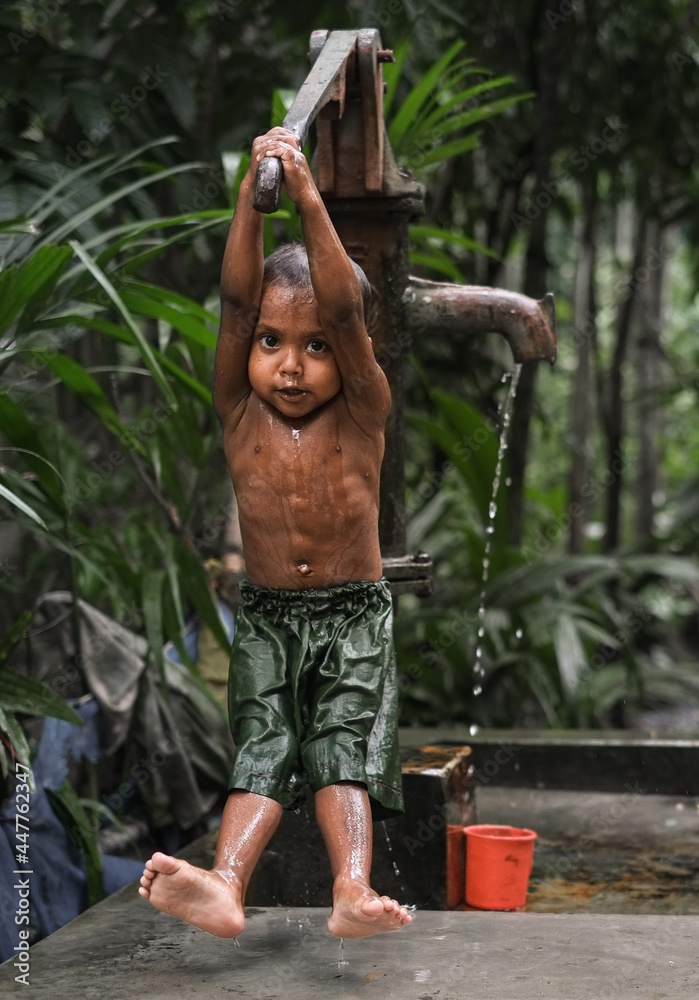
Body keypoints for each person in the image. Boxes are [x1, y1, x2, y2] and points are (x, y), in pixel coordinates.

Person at [138, 127, 412, 939]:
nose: (290, 365)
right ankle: (225, 883)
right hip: (264, 613)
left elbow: (341, 305)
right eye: (270, 343)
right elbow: (233, 299)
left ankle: (351, 888)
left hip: (353, 612)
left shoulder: (364, 406)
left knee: (339, 746)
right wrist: (250, 204)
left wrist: (305, 196)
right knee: (262, 746)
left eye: (315, 348)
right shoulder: (237, 405)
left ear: (349, 350)